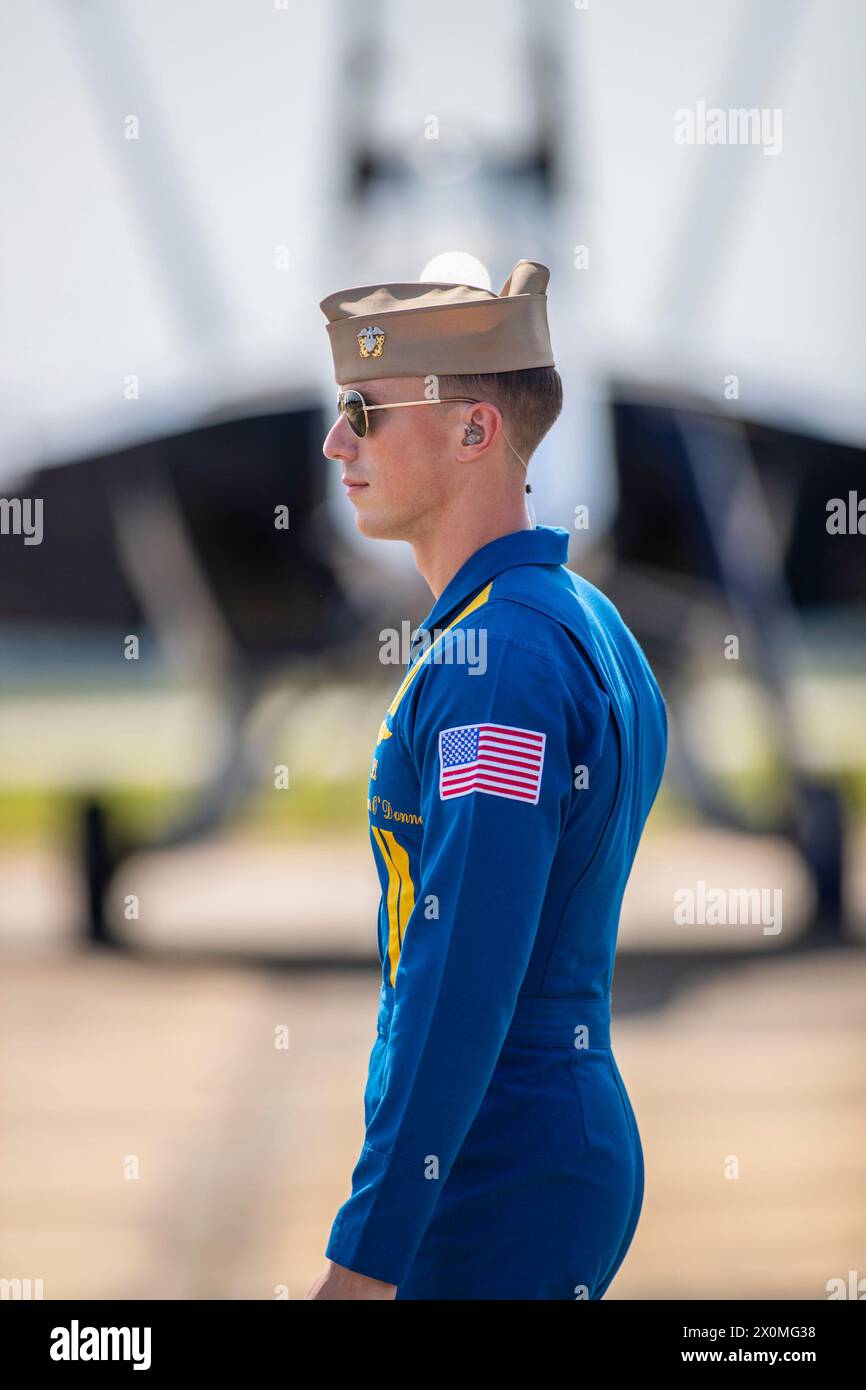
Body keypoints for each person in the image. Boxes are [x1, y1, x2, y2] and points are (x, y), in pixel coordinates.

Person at [305, 260, 668, 1300]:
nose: (337, 442)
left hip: (493, 1176)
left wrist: (363, 1258)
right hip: (532, 1152)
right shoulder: (568, 615)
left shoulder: (498, 660)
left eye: (363, 412)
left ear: (474, 432)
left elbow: (462, 968)